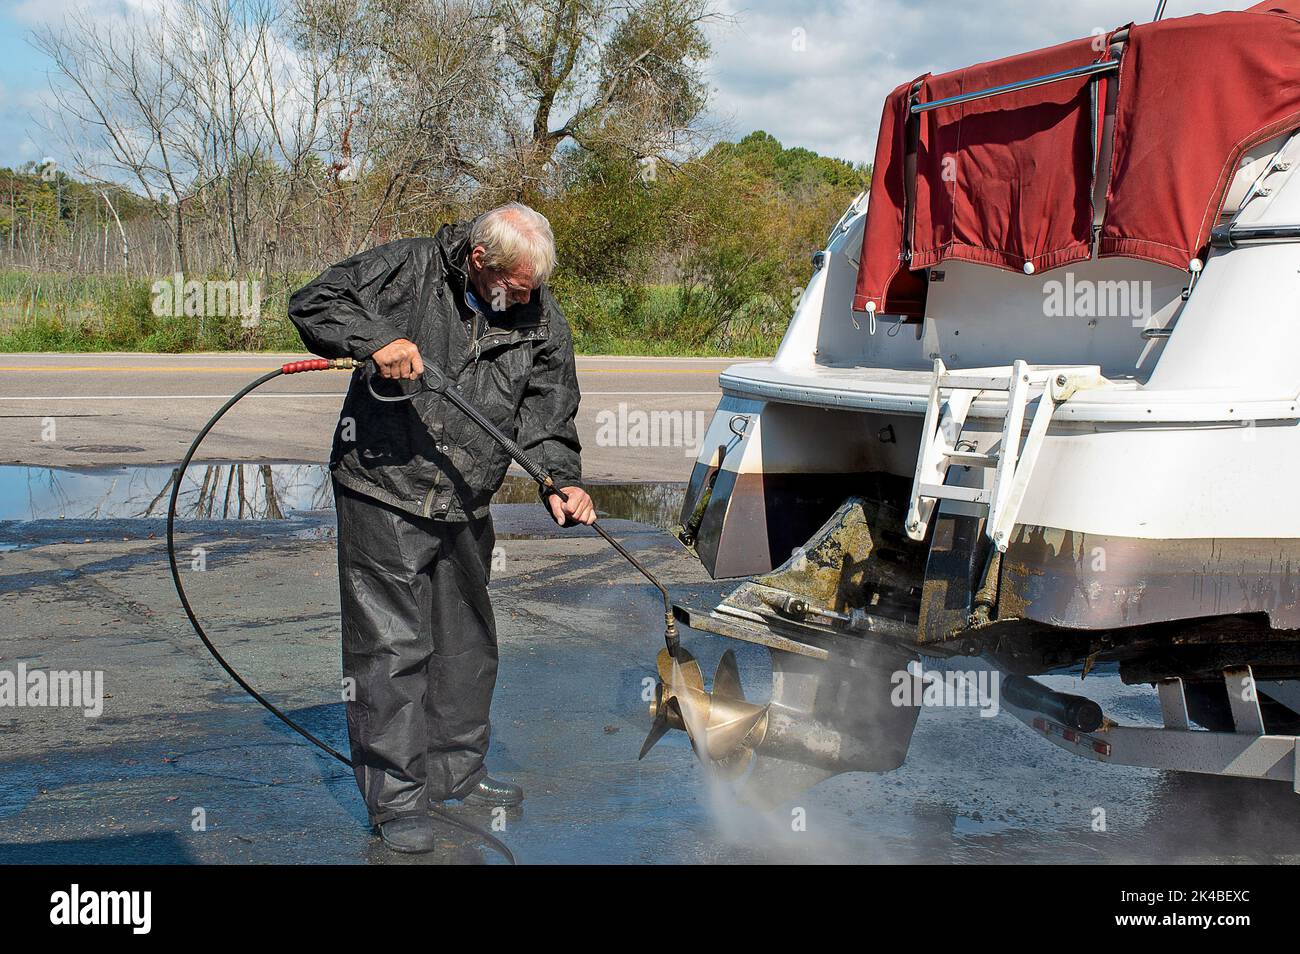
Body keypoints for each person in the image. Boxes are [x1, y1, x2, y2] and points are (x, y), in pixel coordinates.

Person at [289, 203, 596, 853]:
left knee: (465, 645)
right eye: (515, 287)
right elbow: (314, 302)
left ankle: (457, 773)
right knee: (392, 648)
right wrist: (375, 338)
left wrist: (560, 478)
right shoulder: (408, 268)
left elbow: (548, 415)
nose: (525, 300)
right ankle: (398, 800)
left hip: (467, 497)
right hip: (384, 486)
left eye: (533, 290)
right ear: (479, 261)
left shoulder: (540, 315)